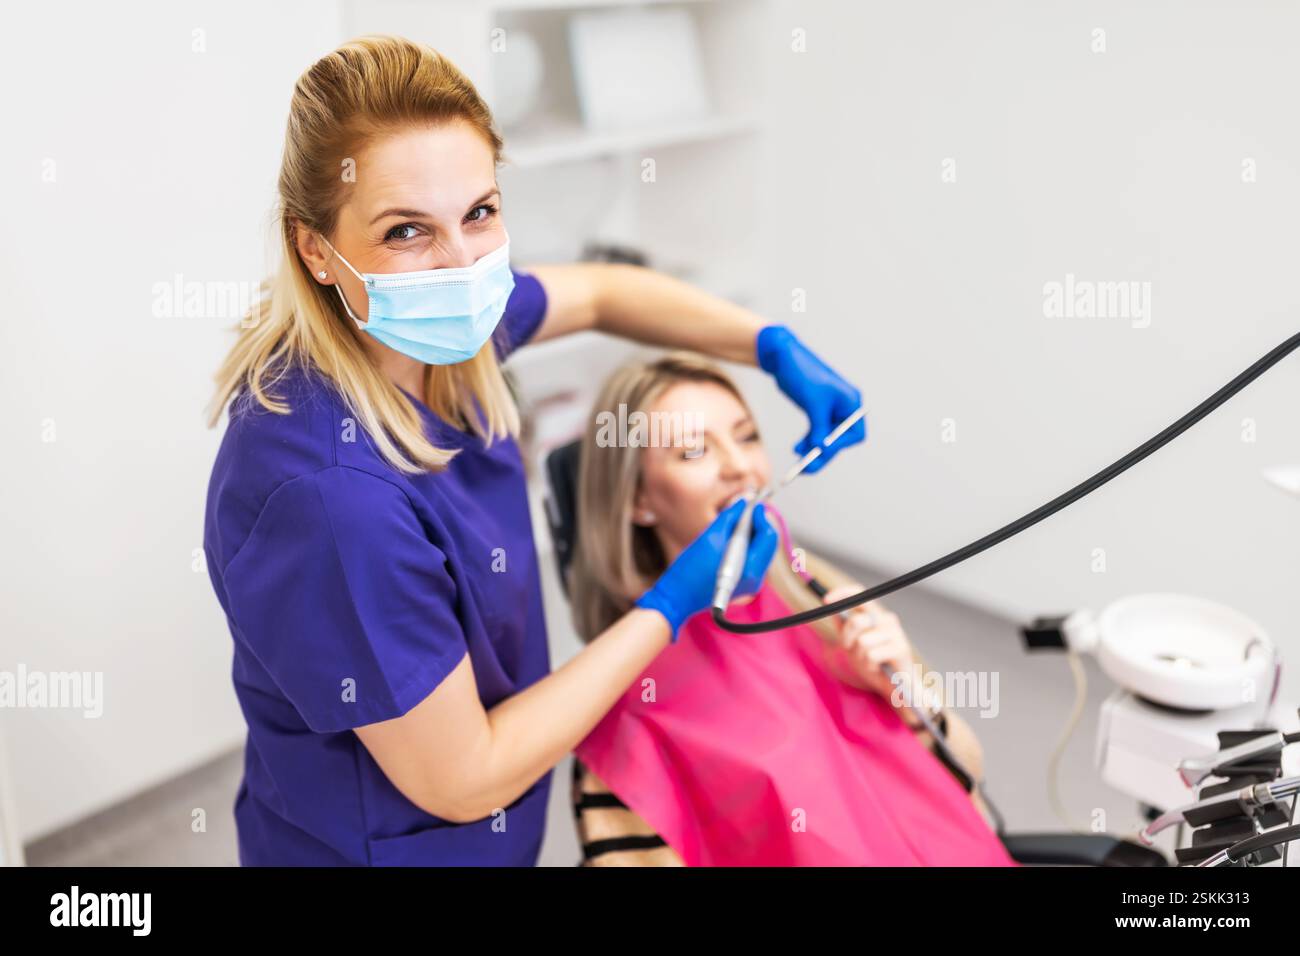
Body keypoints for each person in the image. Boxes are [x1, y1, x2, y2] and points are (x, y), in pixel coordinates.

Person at [201, 35, 863, 865]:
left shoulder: (440, 335)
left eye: (480, 211)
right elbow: (464, 778)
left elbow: (601, 293)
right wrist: (673, 600)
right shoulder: (332, 499)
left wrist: (766, 342)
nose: (463, 262)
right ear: (313, 247)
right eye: (407, 230)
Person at [567, 353, 1016, 866]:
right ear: (638, 501)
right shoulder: (626, 712)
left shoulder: (820, 596)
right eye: (694, 451)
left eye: (747, 436)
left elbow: (967, 776)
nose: (740, 466)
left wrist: (907, 696)